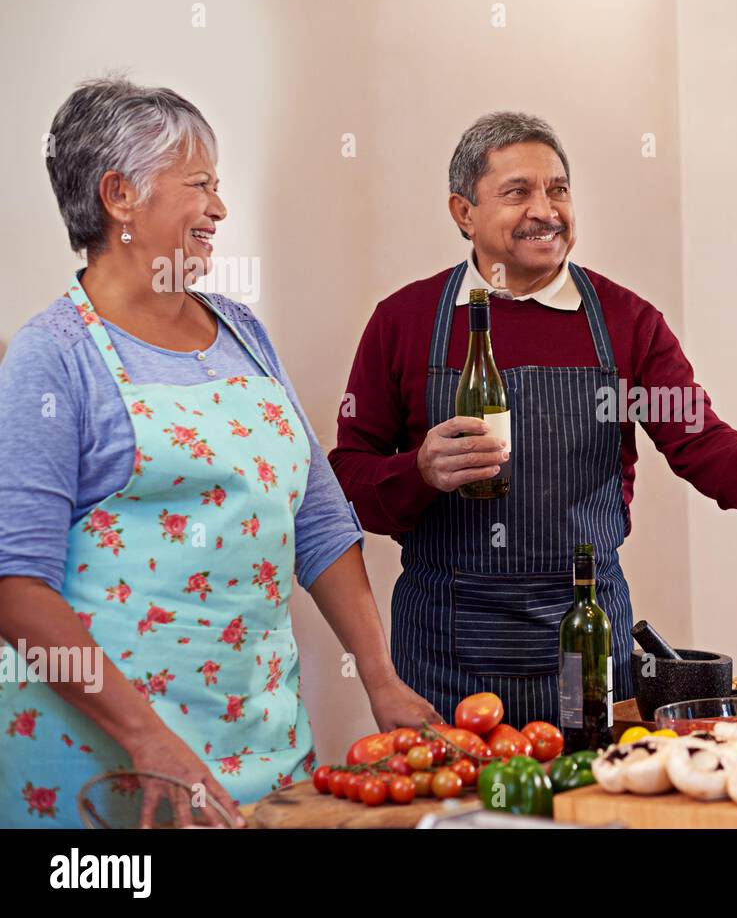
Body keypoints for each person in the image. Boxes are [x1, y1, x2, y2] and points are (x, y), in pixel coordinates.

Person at [0, 78, 434, 828]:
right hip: (109, 770)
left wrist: (379, 674)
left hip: (261, 747)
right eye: (199, 184)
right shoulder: (52, 356)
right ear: (119, 196)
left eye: (219, 185)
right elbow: (16, 582)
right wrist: (147, 738)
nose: (219, 209)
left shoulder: (241, 331)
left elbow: (320, 523)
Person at [329, 111, 737, 724]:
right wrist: (418, 472)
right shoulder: (404, 321)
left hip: (587, 639)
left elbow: (704, 447)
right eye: (517, 192)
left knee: (595, 812)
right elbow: (346, 484)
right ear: (462, 212)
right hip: (444, 651)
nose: (546, 209)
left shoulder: (628, 322)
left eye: (559, 189)